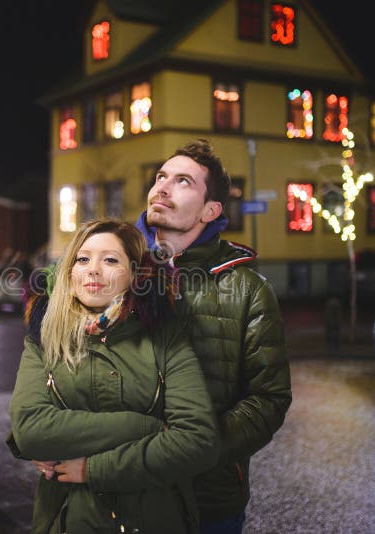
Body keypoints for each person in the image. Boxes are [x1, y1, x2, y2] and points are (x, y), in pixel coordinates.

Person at [8, 219, 220, 534]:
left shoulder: (165, 336)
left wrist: (93, 469)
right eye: (83, 259)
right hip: (70, 518)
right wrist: (145, 427)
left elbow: (198, 441)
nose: (93, 270)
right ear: (69, 270)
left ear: (135, 274)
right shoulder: (44, 338)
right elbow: (30, 431)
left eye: (110, 260)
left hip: (157, 517)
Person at [135, 138, 292, 533]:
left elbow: (268, 399)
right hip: (123, 494)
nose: (163, 188)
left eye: (183, 181)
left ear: (211, 210)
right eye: (161, 177)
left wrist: (194, 447)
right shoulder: (115, 269)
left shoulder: (248, 290)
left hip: (207, 501)